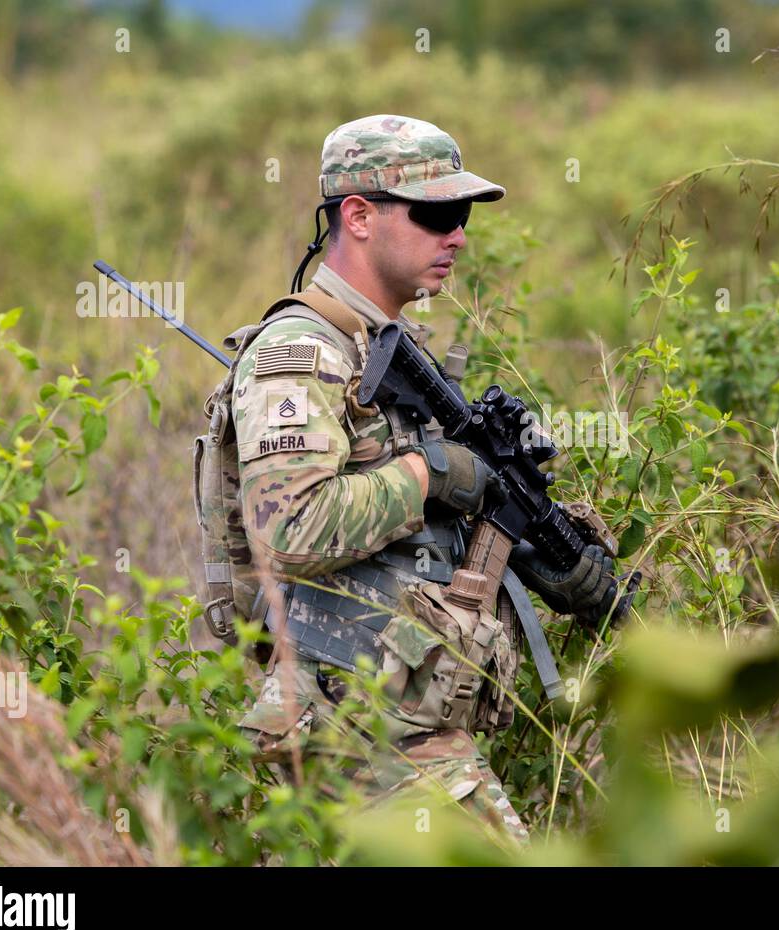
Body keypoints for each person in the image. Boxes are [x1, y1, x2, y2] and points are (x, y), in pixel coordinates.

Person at [229, 115, 621, 847]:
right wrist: (431, 472)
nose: (459, 236)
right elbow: (288, 530)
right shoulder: (302, 352)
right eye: (438, 214)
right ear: (360, 216)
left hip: (400, 714)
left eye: (463, 216)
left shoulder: (388, 348)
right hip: (358, 721)